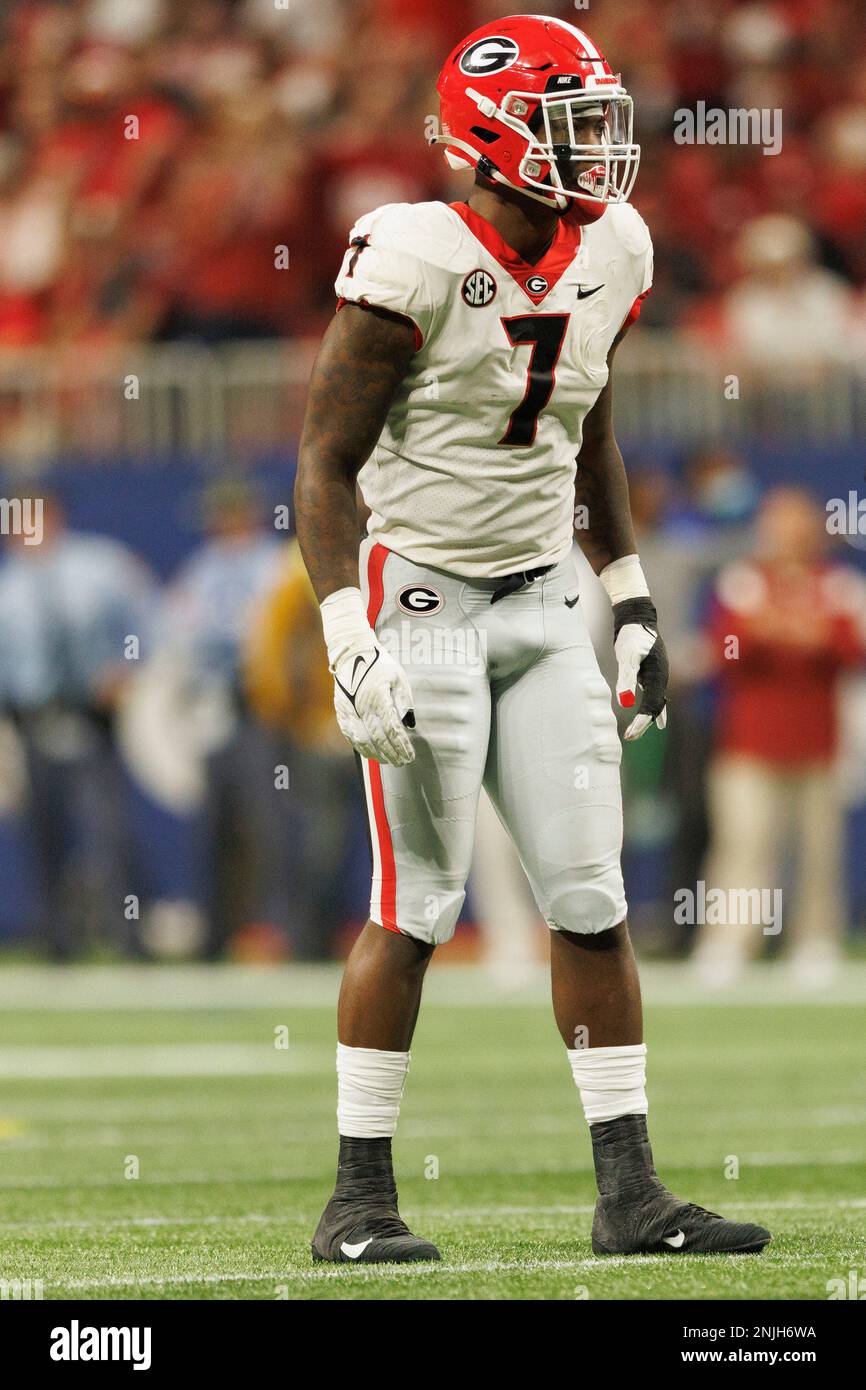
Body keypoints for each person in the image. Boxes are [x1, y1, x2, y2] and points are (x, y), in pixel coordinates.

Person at [294, 15, 770, 1263]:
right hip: (422, 600)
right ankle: (356, 1201)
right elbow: (323, 465)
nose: (598, 150)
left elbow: (588, 427)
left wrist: (626, 591)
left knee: (590, 897)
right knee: (417, 906)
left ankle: (628, 1194)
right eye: (570, 123)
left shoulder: (612, 245)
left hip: (546, 595)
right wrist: (346, 627)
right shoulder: (409, 257)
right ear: (490, 136)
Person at [694, 487, 866, 988]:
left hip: (818, 743)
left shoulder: (839, 585)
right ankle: (729, 942)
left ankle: (815, 940)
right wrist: (773, 633)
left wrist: (795, 632)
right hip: (748, 744)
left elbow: (851, 651)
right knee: (744, 845)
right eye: (779, 525)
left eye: (797, 525)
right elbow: (723, 654)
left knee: (818, 848)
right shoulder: (742, 581)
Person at [0, 494, 153, 956]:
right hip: (32, 719)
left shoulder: (101, 566)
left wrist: (125, 667)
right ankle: (56, 940)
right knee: (45, 834)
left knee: (107, 829)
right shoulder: (8, 584)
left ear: (53, 514)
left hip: (92, 718)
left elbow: (145, 624)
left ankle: (127, 935)